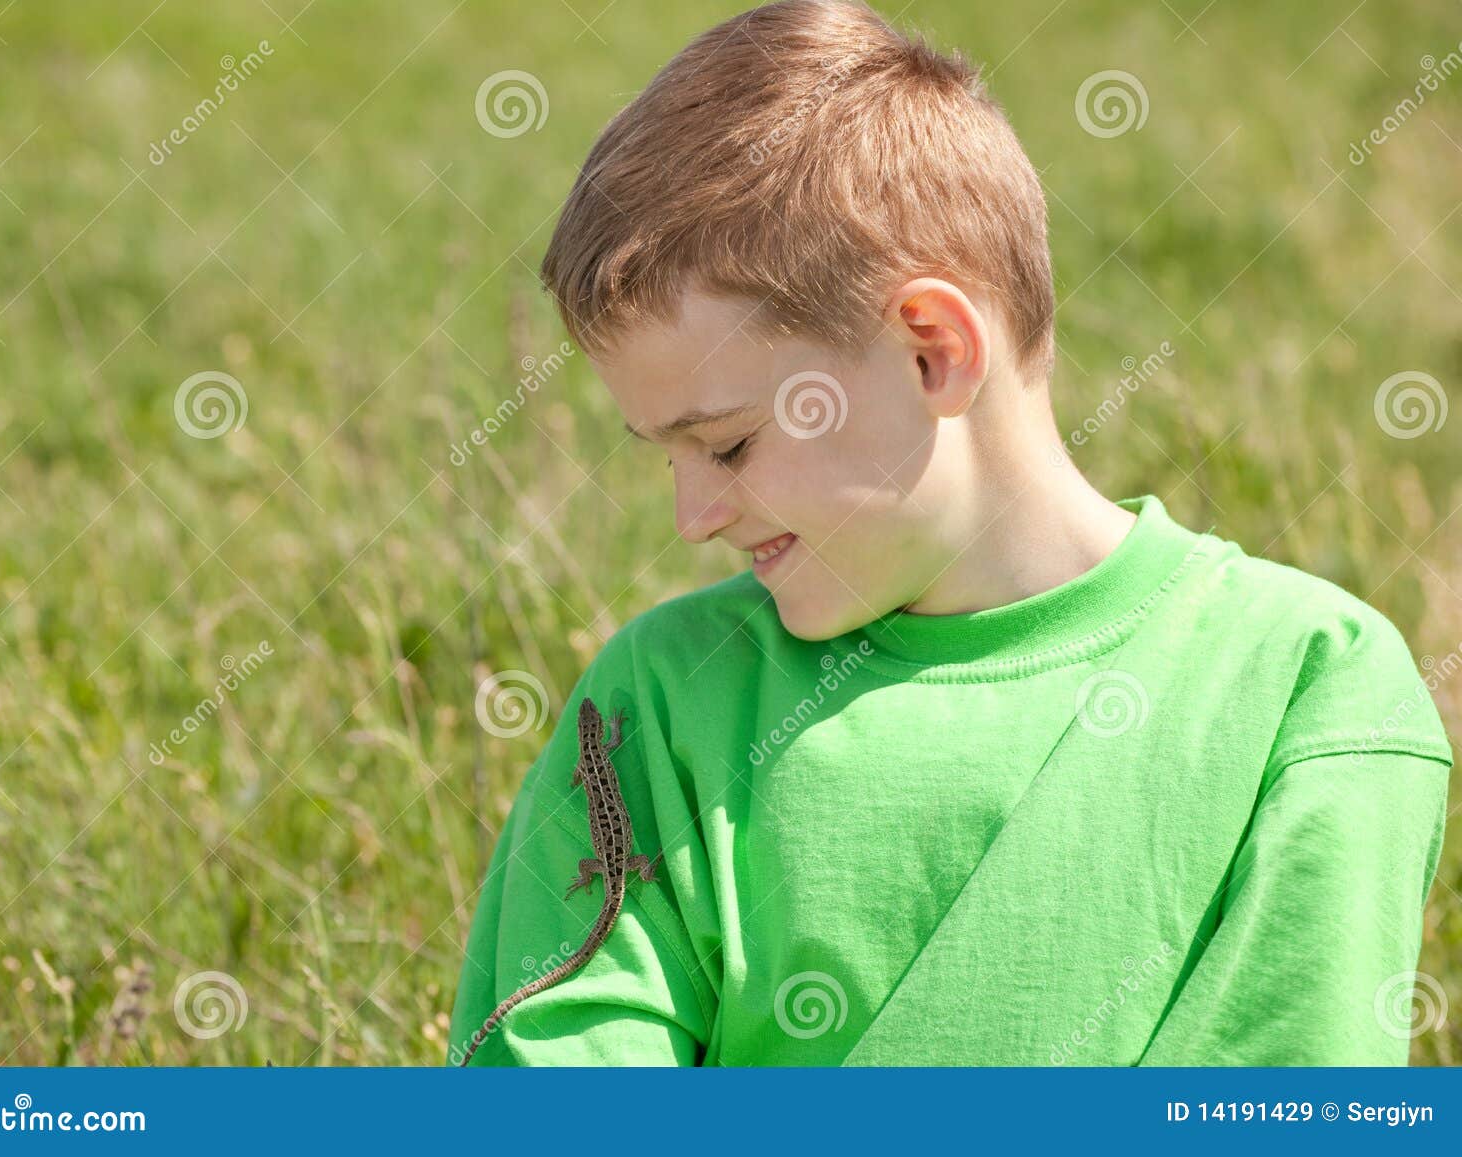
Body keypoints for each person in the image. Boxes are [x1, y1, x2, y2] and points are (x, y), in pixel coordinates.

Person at [448, 0, 1453, 1065]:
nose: (691, 519)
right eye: (667, 456)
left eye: (729, 444)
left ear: (931, 352)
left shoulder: (1306, 685)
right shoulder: (655, 703)